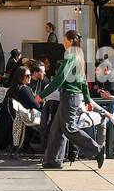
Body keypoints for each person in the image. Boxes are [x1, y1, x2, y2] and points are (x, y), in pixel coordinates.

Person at [42, 29, 105, 170]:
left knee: (69, 128)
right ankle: (53, 160)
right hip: (72, 97)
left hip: (70, 97)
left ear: (70, 41)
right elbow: (83, 82)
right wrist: (88, 100)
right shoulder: (78, 57)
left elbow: (59, 79)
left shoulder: (70, 57)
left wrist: (42, 94)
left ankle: (97, 150)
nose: (63, 43)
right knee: (57, 129)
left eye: (64, 40)